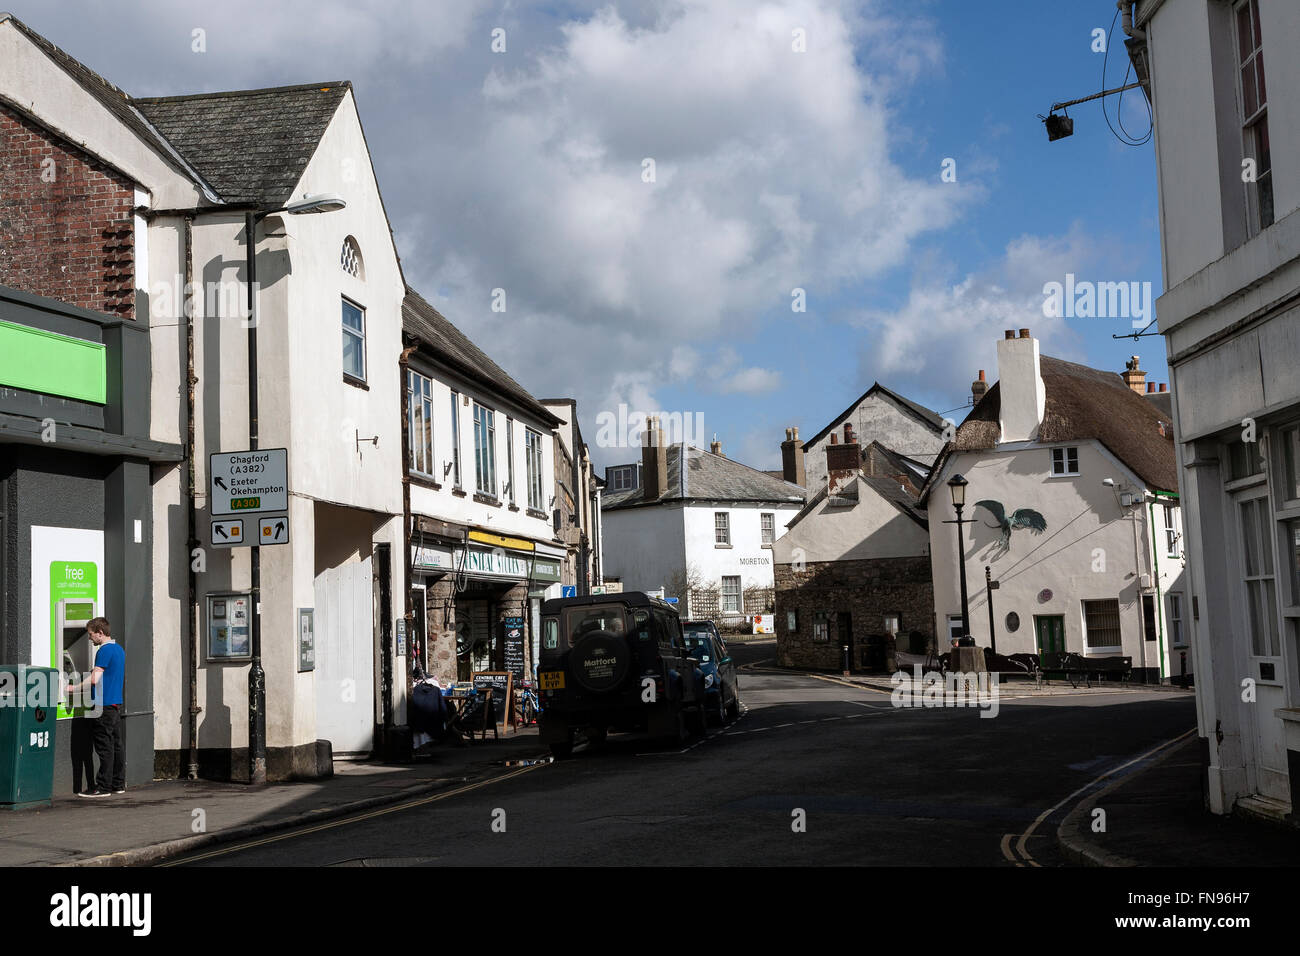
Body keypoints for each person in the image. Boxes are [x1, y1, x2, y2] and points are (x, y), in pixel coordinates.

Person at [65, 617, 125, 797]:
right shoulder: (119, 649)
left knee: (104, 747)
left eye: (91, 635)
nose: (90, 639)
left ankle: (103, 787)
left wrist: (72, 688)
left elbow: (94, 679)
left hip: (102, 705)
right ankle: (117, 784)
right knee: (115, 746)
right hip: (114, 703)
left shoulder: (104, 651)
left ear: (100, 633)